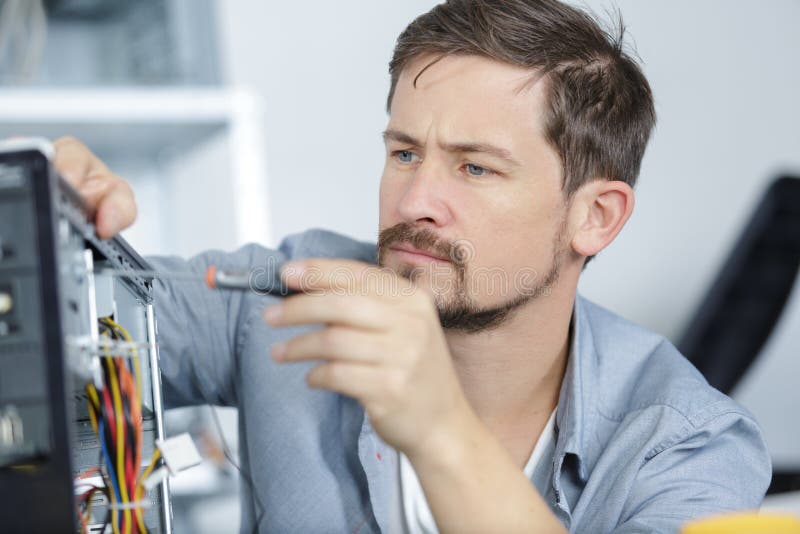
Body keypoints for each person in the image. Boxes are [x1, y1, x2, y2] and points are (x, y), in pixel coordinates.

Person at [53, 0, 771, 532]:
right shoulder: (288, 292)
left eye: (476, 168)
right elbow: (51, 336)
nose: (417, 199)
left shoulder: (686, 444)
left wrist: (439, 427)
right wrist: (45, 223)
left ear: (596, 216)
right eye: (404, 153)